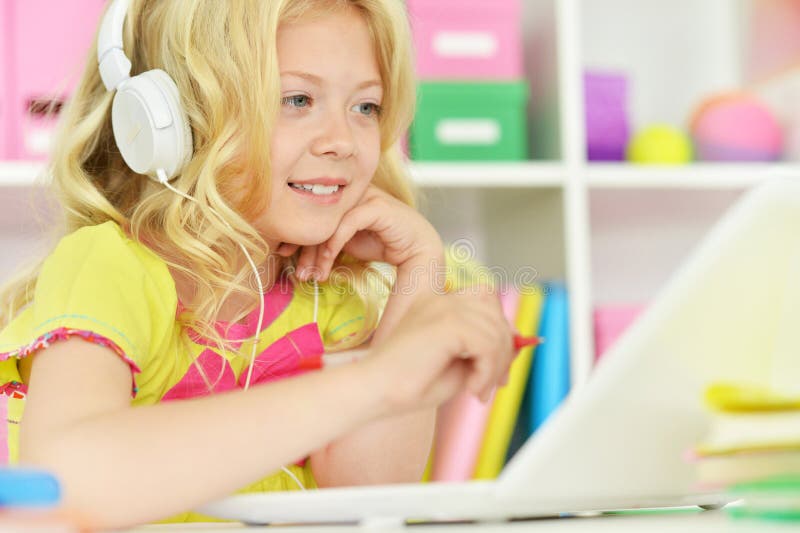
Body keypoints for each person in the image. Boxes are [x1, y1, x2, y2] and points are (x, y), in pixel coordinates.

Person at [0, 0, 516, 529]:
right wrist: (376, 380)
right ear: (176, 117)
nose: (342, 142)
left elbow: (369, 489)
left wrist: (420, 269)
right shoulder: (108, 268)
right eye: (297, 99)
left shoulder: (328, 292)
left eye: (366, 107)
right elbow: (65, 479)